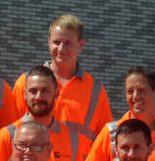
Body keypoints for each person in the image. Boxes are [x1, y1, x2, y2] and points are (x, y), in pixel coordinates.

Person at [9, 14, 111, 142]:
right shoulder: (26, 82)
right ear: (48, 43)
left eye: (68, 43)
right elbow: (11, 132)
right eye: (57, 42)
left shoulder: (96, 90)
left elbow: (106, 140)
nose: (62, 48)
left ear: (81, 44)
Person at [0, 66, 84, 161]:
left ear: (56, 93)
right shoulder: (6, 136)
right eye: (33, 91)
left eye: (45, 91)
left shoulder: (72, 139)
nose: (39, 97)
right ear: (24, 94)